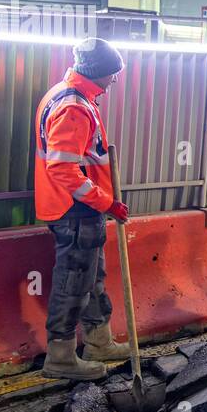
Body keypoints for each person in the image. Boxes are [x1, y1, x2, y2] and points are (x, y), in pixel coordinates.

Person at [34, 38, 132, 381]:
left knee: (91, 278)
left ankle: (98, 342)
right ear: (98, 73)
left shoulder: (68, 94)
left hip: (81, 209)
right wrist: (106, 202)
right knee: (74, 283)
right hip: (73, 210)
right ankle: (60, 357)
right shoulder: (74, 107)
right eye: (112, 74)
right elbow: (61, 169)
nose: (115, 80)